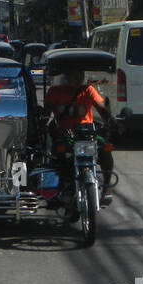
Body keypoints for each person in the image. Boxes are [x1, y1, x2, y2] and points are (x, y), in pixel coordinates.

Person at [45, 66, 115, 201]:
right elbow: (45, 114)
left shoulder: (88, 90)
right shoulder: (54, 92)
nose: (76, 78)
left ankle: (106, 187)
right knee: (57, 153)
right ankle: (63, 185)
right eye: (73, 75)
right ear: (65, 77)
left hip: (87, 132)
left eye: (79, 75)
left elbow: (102, 109)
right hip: (64, 133)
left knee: (106, 148)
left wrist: (113, 122)